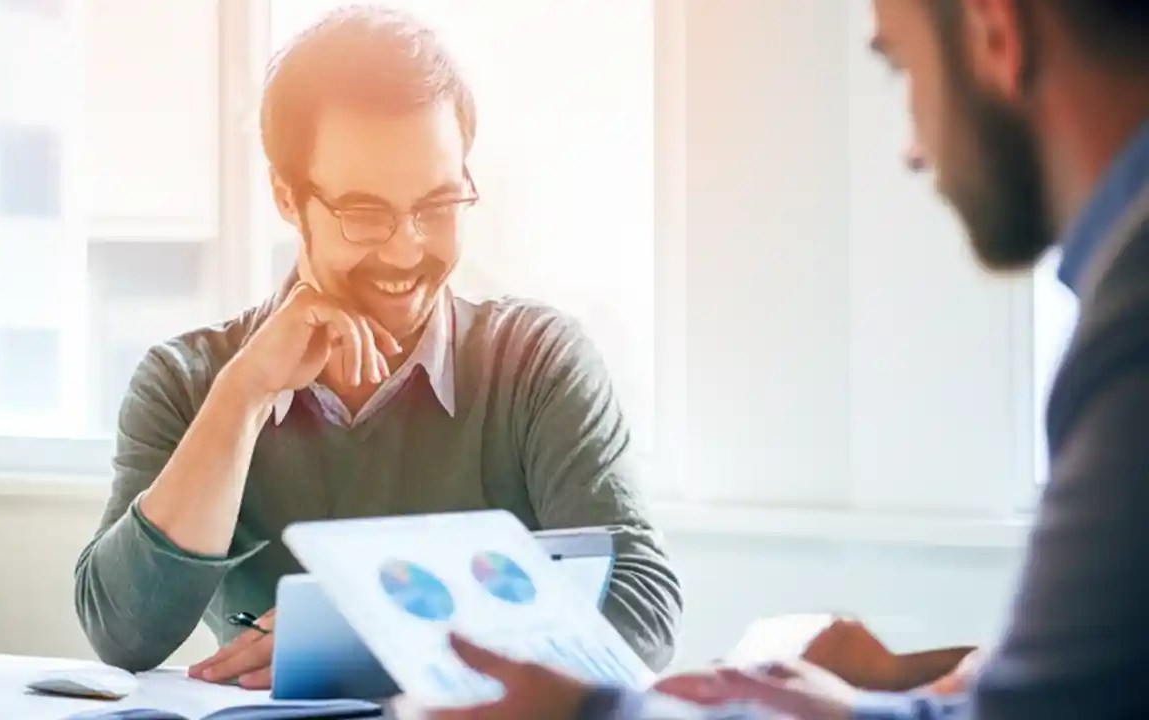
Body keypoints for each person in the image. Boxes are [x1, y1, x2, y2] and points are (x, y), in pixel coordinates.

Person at [428, 0, 1149, 717]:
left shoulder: (1133, 327)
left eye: (903, 68)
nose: (913, 149)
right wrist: (854, 709)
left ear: (998, 32)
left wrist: (599, 714)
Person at [73, 5, 682, 689]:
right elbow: (124, 634)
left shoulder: (535, 364)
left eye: (438, 205)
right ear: (286, 196)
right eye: (365, 213)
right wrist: (242, 397)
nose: (407, 248)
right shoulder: (188, 381)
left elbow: (644, 611)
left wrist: (367, 633)